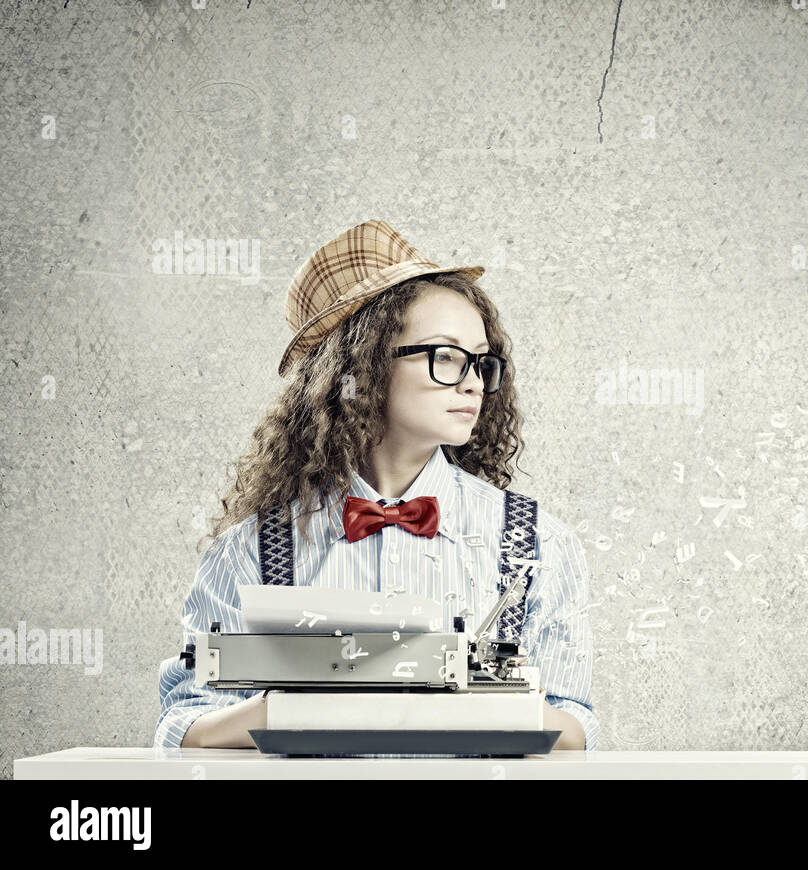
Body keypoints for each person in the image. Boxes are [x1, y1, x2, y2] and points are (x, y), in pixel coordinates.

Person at [154, 220, 596, 752]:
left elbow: (577, 730)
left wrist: (490, 704)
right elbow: (181, 728)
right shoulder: (248, 551)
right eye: (447, 356)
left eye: (481, 361)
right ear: (361, 367)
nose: (473, 381)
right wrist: (286, 707)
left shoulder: (539, 544)